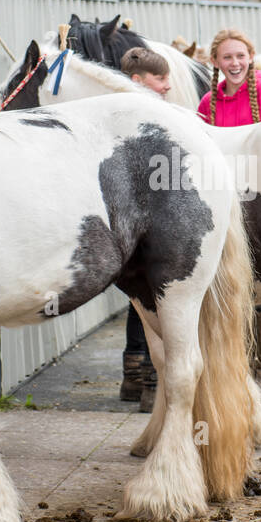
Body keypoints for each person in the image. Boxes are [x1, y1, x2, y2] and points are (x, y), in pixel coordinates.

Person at [198, 29, 261, 401]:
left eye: (240, 56)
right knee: (226, 286)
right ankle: (235, 371)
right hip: (223, 201)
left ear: (251, 58)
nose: (234, 63)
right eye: (227, 57)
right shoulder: (207, 103)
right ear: (216, 62)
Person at [117, 47, 173, 412]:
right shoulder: (134, 118)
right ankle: (146, 377)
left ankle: (138, 374)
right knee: (147, 299)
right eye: (161, 79)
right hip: (147, 221)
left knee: (144, 298)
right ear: (138, 82)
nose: (168, 86)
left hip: (149, 220)